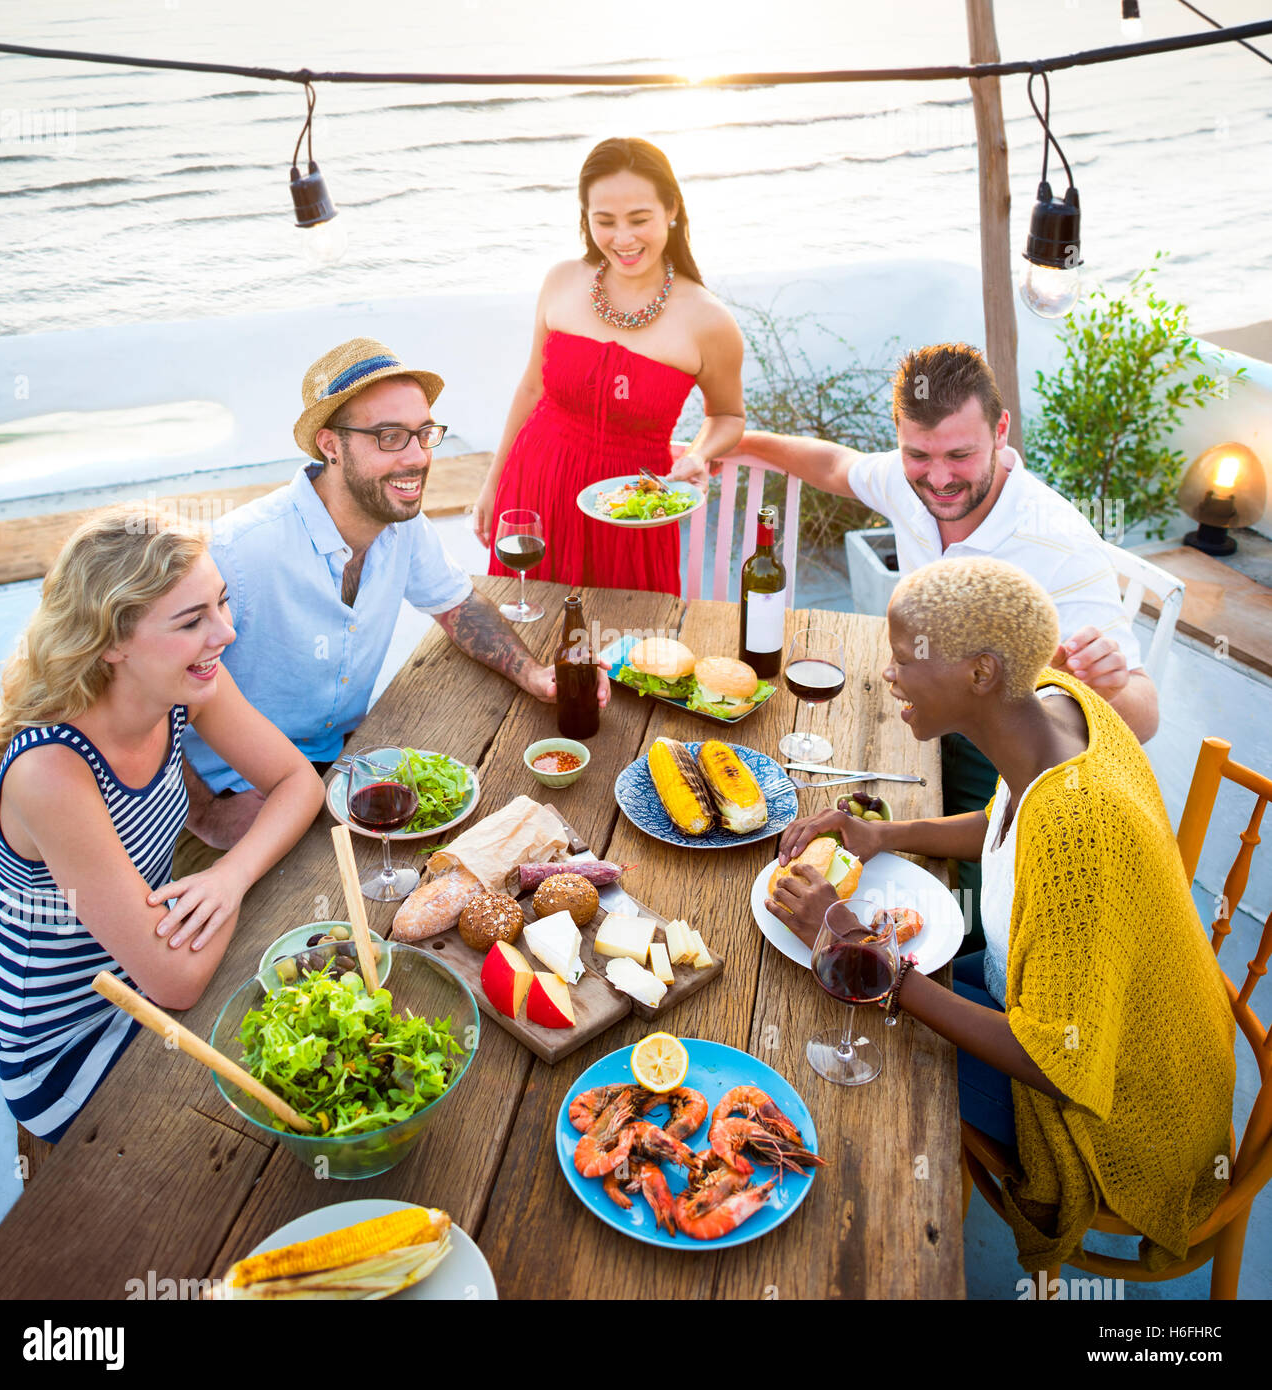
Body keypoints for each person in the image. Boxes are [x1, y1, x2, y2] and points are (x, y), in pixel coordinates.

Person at [768, 557, 1233, 1273]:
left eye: (902, 659)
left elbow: (1056, 1062)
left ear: (981, 674)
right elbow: (1000, 824)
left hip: (1113, 1108)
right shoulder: (1054, 704)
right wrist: (886, 835)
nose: (889, 675)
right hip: (1092, 1017)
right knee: (844, 1021)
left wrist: (859, 950)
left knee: (859, 1058)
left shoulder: (1078, 829)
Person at [729, 342, 1159, 945]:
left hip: (1008, 755)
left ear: (1001, 430)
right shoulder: (910, 479)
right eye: (918, 455)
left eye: (960, 454)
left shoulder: (1061, 544)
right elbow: (830, 464)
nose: (938, 478)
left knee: (958, 934)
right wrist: (731, 441)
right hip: (933, 722)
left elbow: (1143, 717)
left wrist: (1110, 681)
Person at [0, 506, 325, 1142]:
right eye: (192, 621)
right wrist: (230, 882)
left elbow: (299, 782)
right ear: (110, 641)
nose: (225, 633)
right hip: (71, 1045)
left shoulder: (187, 686)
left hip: (158, 945)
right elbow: (177, 980)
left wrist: (228, 874)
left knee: (333, 1025)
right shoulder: (50, 771)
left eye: (220, 604)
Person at [178, 337, 608, 853]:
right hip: (235, 792)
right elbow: (145, 690)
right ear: (330, 445)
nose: (417, 458)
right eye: (389, 437)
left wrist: (534, 674)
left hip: (344, 767)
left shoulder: (403, 525)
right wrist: (205, 815)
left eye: (424, 433)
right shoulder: (239, 550)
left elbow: (458, 605)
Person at [473, 136, 745, 596]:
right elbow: (531, 390)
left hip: (632, 509)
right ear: (585, 219)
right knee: (528, 630)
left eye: (639, 219)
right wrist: (493, 483)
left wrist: (698, 453)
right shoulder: (561, 281)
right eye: (604, 221)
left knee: (629, 651)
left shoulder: (709, 320)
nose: (623, 239)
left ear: (672, 210)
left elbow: (728, 415)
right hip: (537, 481)